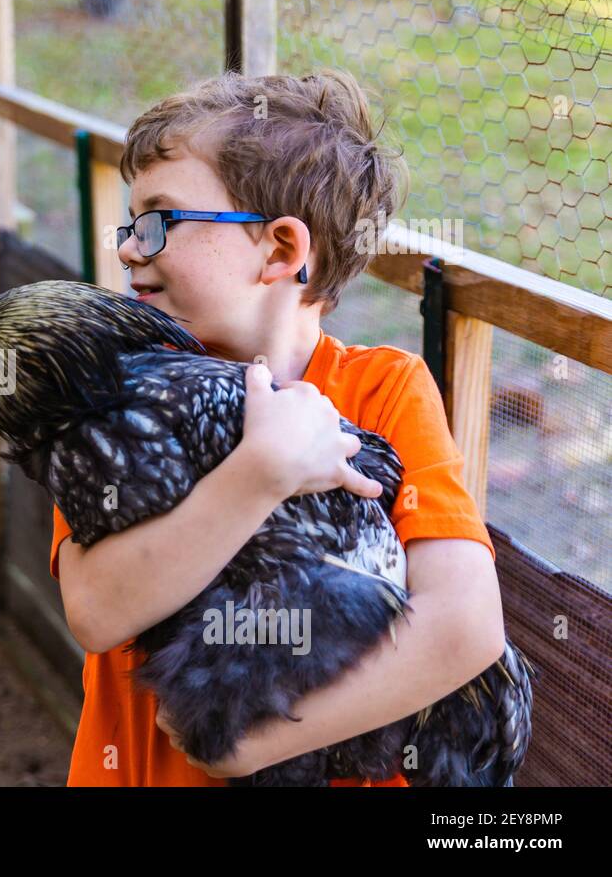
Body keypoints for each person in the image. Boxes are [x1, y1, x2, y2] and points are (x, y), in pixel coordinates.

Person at [49, 69, 503, 786]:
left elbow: (467, 625)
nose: (130, 249)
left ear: (280, 250)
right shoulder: (120, 396)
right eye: (129, 224)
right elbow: (97, 611)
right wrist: (261, 472)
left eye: (159, 220)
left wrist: (247, 744)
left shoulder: (384, 392)